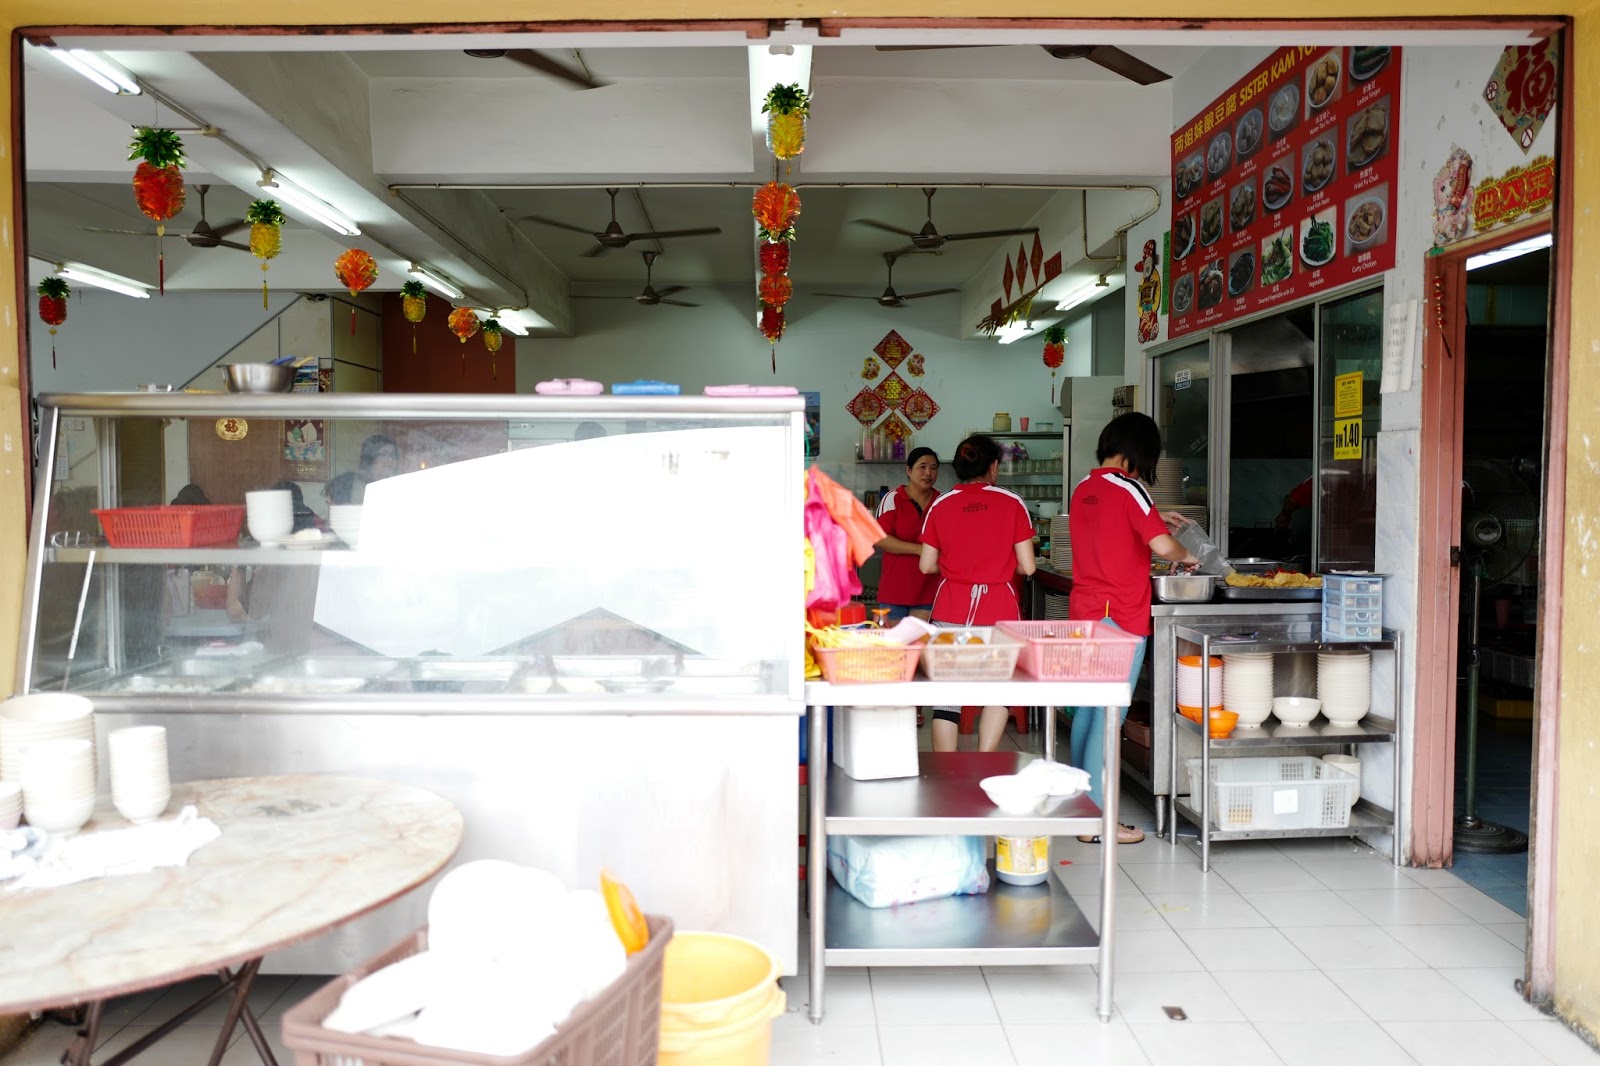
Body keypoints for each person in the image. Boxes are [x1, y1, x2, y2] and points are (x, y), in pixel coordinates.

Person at [1067, 412, 1199, 844]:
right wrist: (1186, 556)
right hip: (1119, 616)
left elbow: (1114, 529)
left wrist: (1157, 516)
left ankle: (1081, 811)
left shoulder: (1084, 488)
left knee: (1088, 711)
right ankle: (1100, 820)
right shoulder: (1131, 489)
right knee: (1111, 717)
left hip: (1087, 613)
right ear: (1139, 453)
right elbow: (1161, 545)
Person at [918, 434, 1037, 753]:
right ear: (993, 467)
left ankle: (946, 771)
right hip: (999, 616)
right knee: (998, 694)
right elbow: (1028, 567)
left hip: (951, 611)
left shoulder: (940, 505)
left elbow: (926, 565)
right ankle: (985, 762)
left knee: (947, 700)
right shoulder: (1013, 503)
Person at [873, 447, 940, 624]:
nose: (928, 473)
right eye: (922, 467)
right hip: (895, 589)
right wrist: (919, 550)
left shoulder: (942, 501)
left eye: (933, 468)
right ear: (909, 471)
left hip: (929, 589)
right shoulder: (893, 498)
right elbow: (879, 538)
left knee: (922, 647)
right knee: (894, 648)